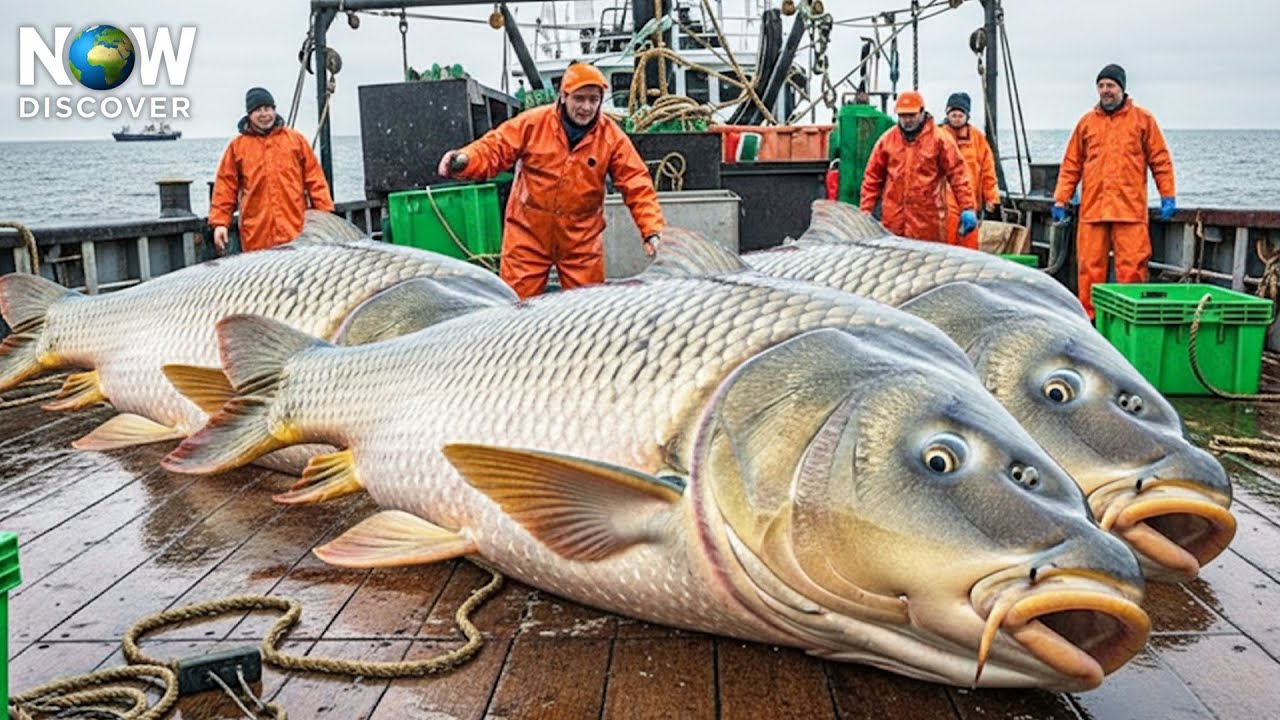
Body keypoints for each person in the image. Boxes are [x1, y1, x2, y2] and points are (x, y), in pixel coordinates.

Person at [437, 62, 665, 299]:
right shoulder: (533, 123)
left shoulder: (612, 138)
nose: (586, 107)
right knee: (516, 308)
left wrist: (652, 230)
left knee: (585, 312)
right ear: (564, 96)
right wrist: (464, 159)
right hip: (527, 237)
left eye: (593, 100)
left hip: (581, 243)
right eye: (579, 98)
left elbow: (636, 183)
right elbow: (496, 147)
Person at [1052, 64, 1176, 318]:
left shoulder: (1143, 120)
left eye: (1111, 85)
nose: (1105, 91)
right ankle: (1092, 321)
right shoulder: (1086, 123)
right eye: (1101, 86)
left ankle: (1127, 321)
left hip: (1129, 210)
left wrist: (1168, 195)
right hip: (1093, 211)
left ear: (1122, 88)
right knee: (1089, 269)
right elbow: (1071, 165)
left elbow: (1160, 161)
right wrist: (1061, 199)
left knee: (1132, 270)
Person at [209, 87, 334, 253]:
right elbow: (225, 187)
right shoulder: (237, 147)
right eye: (258, 110)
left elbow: (315, 180)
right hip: (257, 235)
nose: (264, 114)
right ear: (249, 115)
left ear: (274, 110)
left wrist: (325, 216)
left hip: (296, 231)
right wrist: (220, 223)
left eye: (268, 109)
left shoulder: (295, 141)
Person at [860, 91, 977, 244]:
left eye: (911, 115)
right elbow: (872, 179)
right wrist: (865, 212)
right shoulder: (887, 141)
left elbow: (958, 174)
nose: (907, 120)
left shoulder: (940, 140)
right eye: (902, 115)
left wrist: (967, 207)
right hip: (893, 225)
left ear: (922, 112)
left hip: (928, 225)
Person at [939, 91, 1001, 249]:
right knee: (945, 246)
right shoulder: (937, 136)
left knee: (970, 247)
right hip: (944, 204)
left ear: (967, 116)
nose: (957, 118)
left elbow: (988, 171)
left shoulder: (978, 139)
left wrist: (991, 198)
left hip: (971, 204)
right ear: (947, 114)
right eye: (953, 114)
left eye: (960, 114)